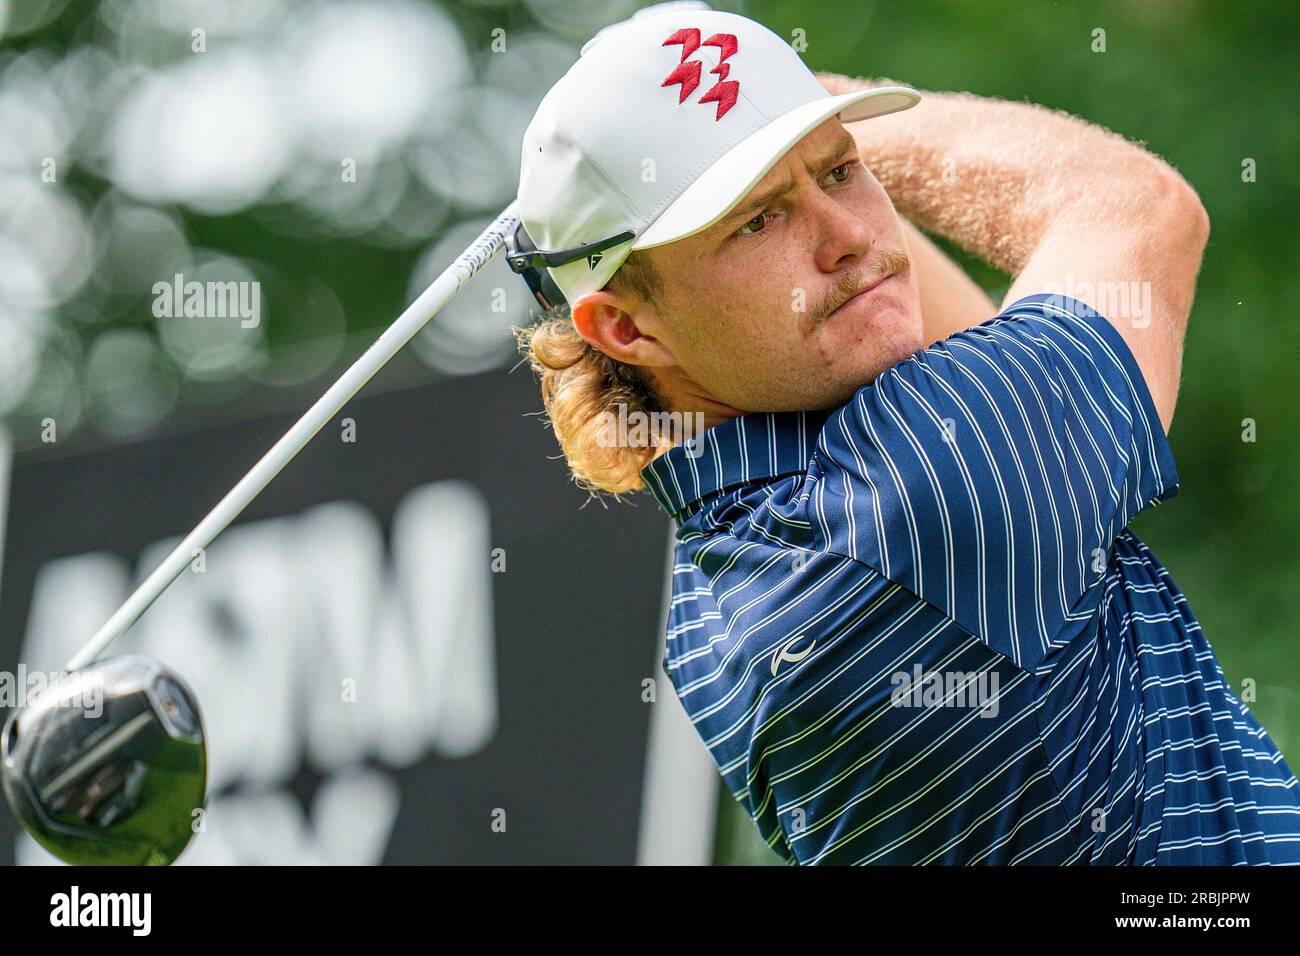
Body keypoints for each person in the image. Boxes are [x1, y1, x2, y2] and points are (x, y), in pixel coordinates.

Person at [513, 6, 1300, 864]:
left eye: (844, 170)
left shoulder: (723, 588)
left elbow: (957, 335)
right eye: (756, 221)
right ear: (626, 329)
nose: (851, 236)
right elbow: (1138, 206)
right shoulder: (907, 508)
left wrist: (770, 129)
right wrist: (830, 101)